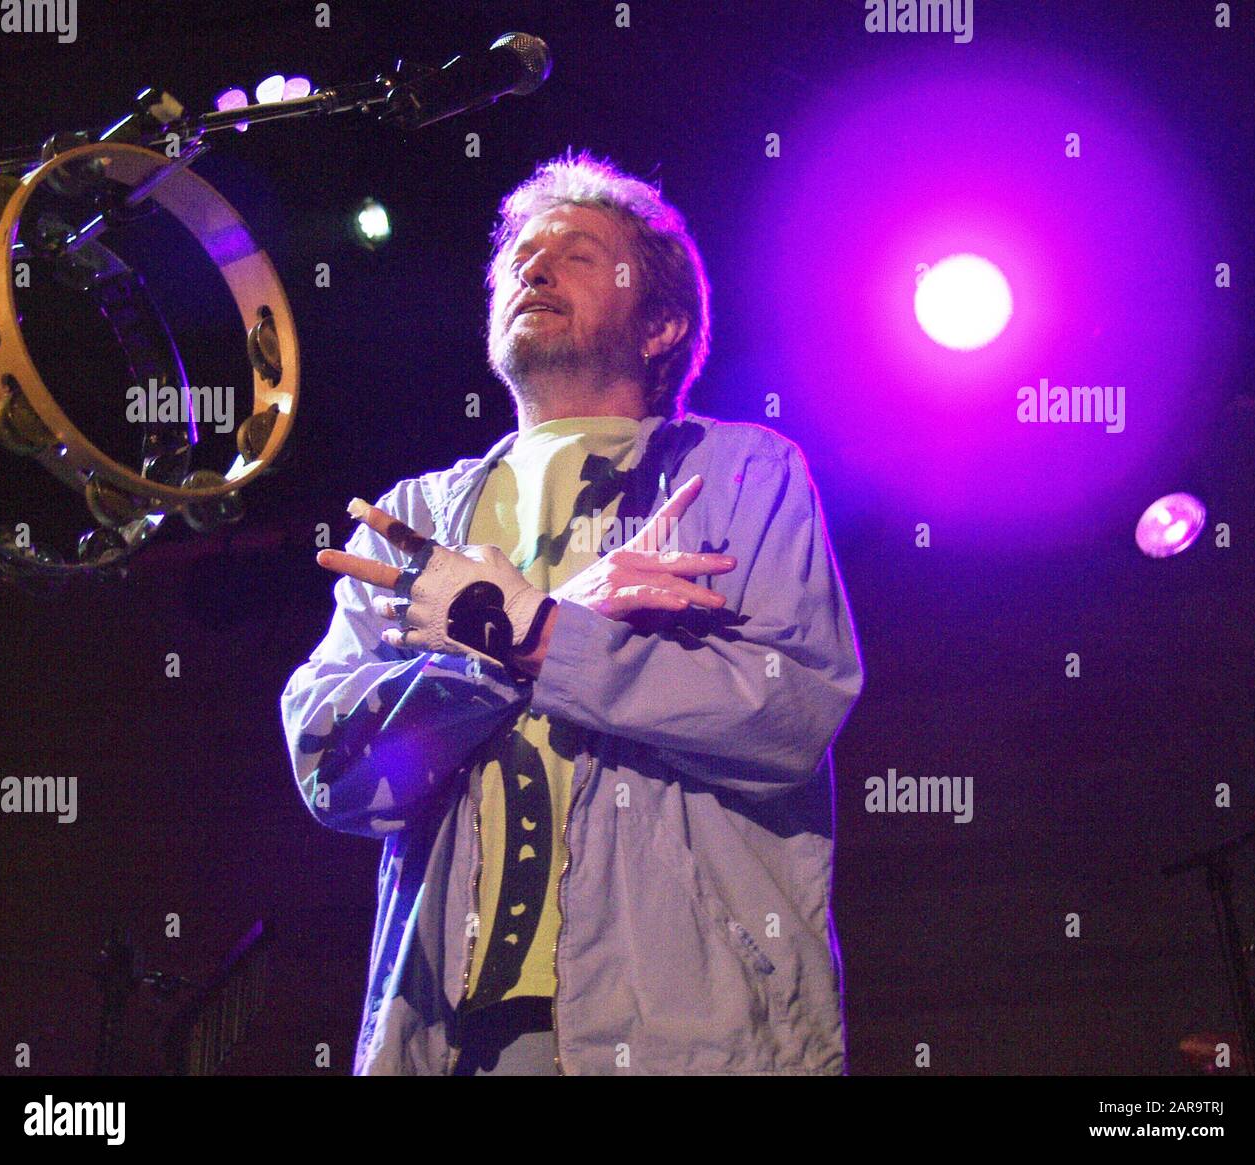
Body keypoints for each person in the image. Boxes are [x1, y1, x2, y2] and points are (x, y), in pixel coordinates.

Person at [280, 150, 864, 1075]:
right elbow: (338, 774)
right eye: (519, 253)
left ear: (662, 323)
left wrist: (544, 635)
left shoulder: (745, 471)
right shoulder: (418, 517)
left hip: (690, 1032)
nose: (533, 268)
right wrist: (510, 642)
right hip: (453, 1040)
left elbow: (786, 712)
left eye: (579, 254)